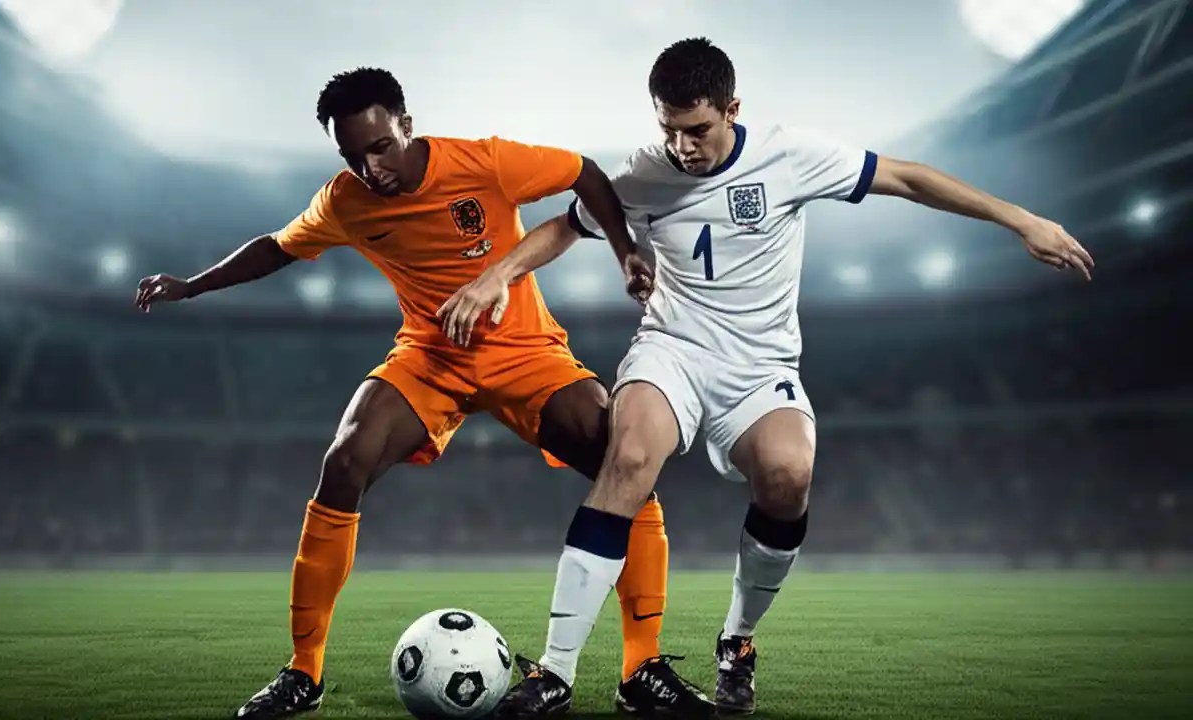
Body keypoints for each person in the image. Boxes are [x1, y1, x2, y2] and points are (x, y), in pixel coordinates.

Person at [439, 38, 1094, 718]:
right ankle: (555, 673)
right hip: (672, 351)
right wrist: (497, 277)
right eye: (669, 130)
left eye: (697, 130)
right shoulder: (645, 174)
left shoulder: (790, 155)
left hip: (759, 368)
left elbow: (907, 178)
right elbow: (567, 226)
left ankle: (737, 641)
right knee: (627, 458)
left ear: (732, 109)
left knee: (788, 478)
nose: (684, 147)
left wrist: (1022, 220)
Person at [134, 66, 712, 719]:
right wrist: (190, 285)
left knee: (624, 460)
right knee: (343, 461)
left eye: (380, 146)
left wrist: (624, 251)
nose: (370, 167)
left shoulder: (486, 163)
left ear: (407, 125)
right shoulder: (345, 201)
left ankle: (641, 669)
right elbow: (278, 247)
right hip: (430, 357)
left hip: (525, 353)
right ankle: (304, 672)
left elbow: (584, 172)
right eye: (353, 156)